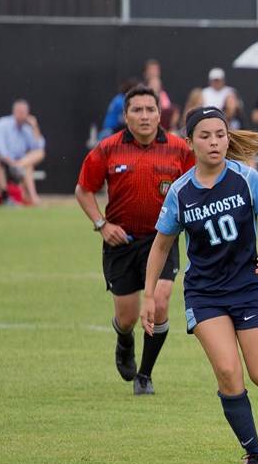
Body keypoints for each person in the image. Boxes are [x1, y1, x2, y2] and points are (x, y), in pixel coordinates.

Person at [142, 105, 258, 464]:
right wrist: (148, 297)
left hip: (249, 287)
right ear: (189, 142)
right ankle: (254, 453)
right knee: (227, 372)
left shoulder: (246, 179)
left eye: (220, 135)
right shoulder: (180, 192)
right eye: (205, 136)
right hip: (205, 294)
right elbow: (161, 246)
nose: (214, 142)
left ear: (228, 138)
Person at [75, 85, 195, 396]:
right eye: (137, 110)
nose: (144, 116)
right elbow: (83, 189)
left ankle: (145, 375)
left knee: (161, 303)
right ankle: (124, 340)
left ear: (160, 114)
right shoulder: (108, 148)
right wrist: (102, 225)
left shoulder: (180, 149)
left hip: (163, 238)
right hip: (122, 242)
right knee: (127, 318)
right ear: (126, 115)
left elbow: (198, 185)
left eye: (150, 110)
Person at [0, 99, 47, 206]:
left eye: (24, 113)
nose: (22, 115)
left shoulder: (27, 129)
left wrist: (35, 127)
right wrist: (9, 161)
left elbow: (39, 146)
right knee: (25, 166)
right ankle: (20, 197)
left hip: (19, 165)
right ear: (14, 112)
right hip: (4, 163)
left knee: (37, 156)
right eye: (20, 112)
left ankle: (33, 198)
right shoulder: (3, 123)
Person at [142, 59, 180, 136]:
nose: (154, 73)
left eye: (155, 70)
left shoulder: (163, 94)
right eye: (151, 70)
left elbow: (167, 110)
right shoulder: (140, 92)